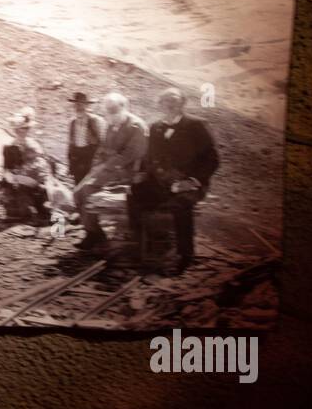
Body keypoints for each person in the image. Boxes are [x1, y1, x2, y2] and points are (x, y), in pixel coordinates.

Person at [128, 88, 220, 273]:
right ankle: (137, 245)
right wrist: (143, 173)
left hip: (189, 183)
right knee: (134, 194)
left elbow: (212, 160)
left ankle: (185, 255)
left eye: (174, 100)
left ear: (182, 103)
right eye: (165, 101)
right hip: (162, 183)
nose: (170, 104)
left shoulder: (197, 125)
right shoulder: (155, 127)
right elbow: (149, 157)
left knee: (181, 205)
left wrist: (193, 181)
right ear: (160, 104)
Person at [73, 92, 148, 251]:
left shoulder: (136, 126)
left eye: (113, 109)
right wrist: (95, 166)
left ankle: (94, 235)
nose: (111, 113)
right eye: (108, 110)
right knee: (77, 192)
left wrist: (105, 166)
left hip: (127, 173)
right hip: (108, 170)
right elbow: (102, 148)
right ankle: (94, 232)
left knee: (87, 191)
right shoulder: (111, 125)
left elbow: (130, 154)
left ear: (123, 107)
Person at [0, 108, 50, 222]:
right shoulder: (10, 146)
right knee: (12, 200)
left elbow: (40, 165)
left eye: (25, 128)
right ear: (15, 129)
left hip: (33, 179)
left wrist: (22, 174)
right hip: (17, 178)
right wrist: (9, 177)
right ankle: (17, 207)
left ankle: (35, 206)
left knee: (32, 196)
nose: (22, 131)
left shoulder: (33, 145)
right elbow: (6, 167)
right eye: (20, 128)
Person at [67, 91, 106, 185]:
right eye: (76, 104)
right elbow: (71, 143)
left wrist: (97, 160)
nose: (78, 107)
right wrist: (70, 163)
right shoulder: (72, 122)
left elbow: (102, 141)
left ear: (86, 105)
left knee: (89, 185)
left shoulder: (95, 120)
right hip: (77, 157)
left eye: (81, 104)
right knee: (78, 184)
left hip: (90, 157)